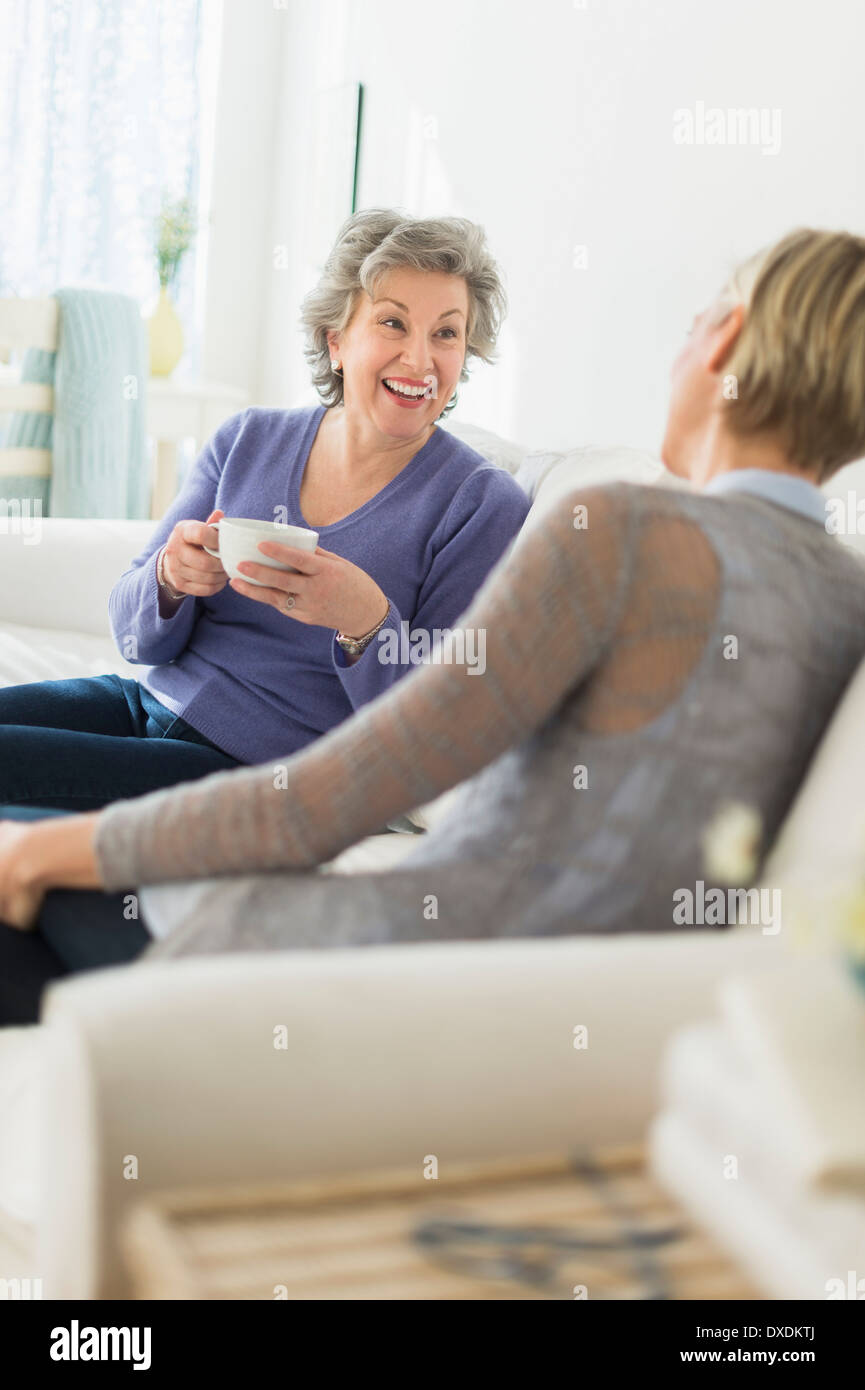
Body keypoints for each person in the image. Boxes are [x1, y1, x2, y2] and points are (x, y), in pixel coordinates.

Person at [3, 226, 865, 1028]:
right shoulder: (845, 594)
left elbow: (336, 795)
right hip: (538, 1011)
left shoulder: (621, 528)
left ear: (722, 339)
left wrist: (53, 851)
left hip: (381, 971)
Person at [0, 208, 529, 810]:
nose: (418, 359)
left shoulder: (480, 504)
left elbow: (440, 729)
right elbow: (130, 630)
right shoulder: (247, 439)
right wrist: (171, 580)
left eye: (446, 333)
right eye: (392, 323)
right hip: (138, 701)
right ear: (337, 340)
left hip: (254, 772)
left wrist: (364, 622)